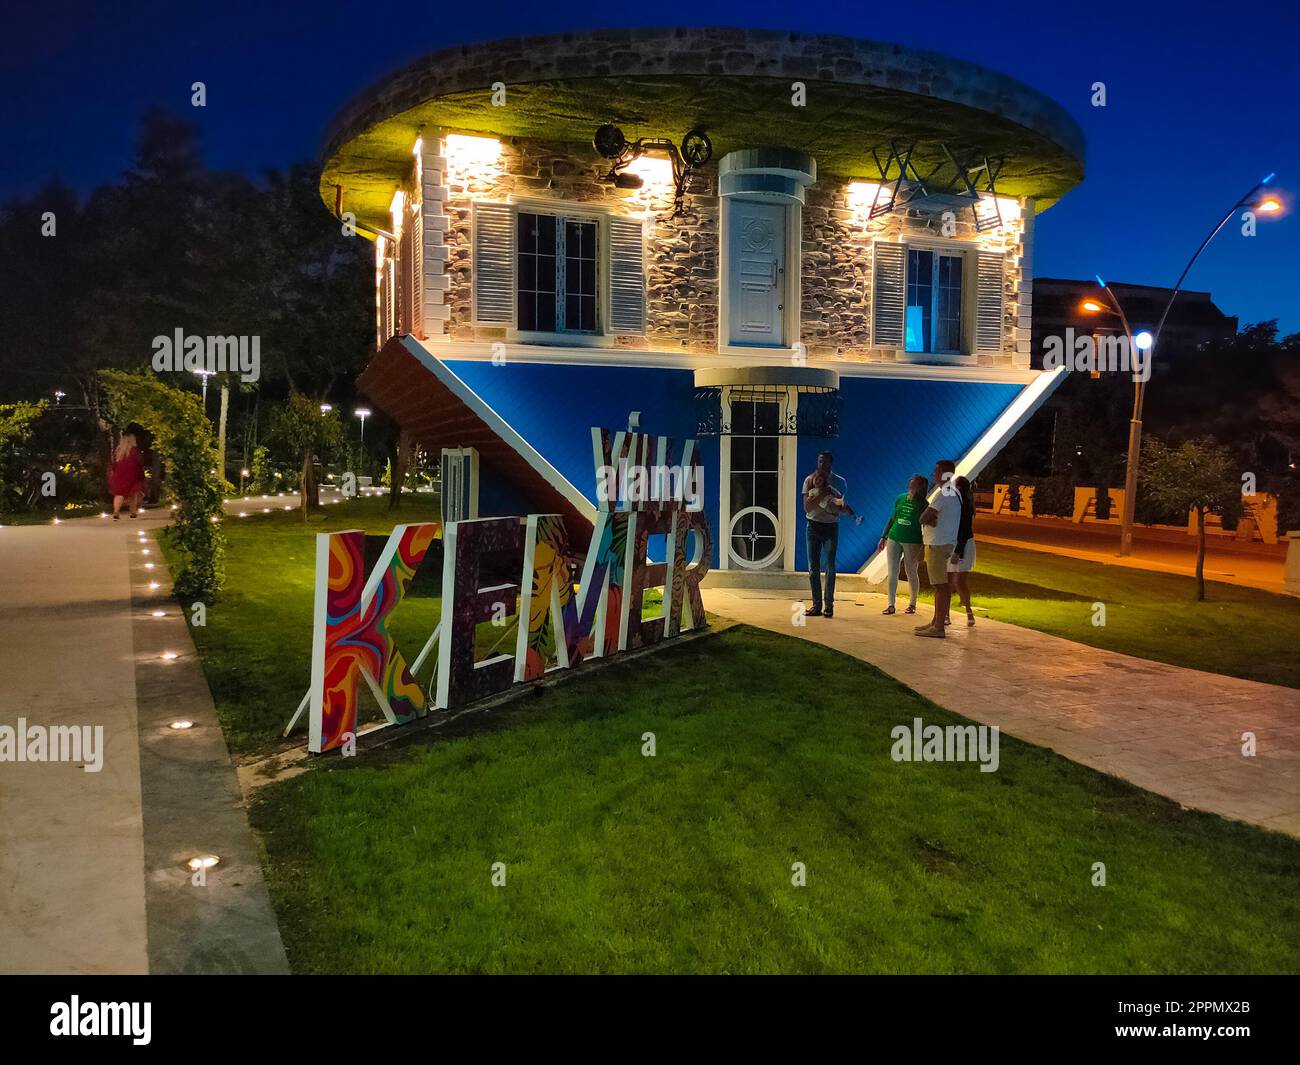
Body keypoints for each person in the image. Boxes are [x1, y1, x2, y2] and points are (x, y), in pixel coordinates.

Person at [802, 451, 855, 618]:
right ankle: (816, 605)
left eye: (825, 463)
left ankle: (829, 606)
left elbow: (842, 505)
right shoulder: (810, 480)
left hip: (831, 527)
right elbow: (807, 507)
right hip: (813, 526)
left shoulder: (839, 482)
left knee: (830, 567)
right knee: (813, 568)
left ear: (831, 464)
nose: (821, 466)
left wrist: (842, 507)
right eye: (819, 462)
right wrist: (822, 492)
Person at [915, 459, 959, 639]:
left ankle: (939, 626)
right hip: (946, 542)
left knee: (940, 586)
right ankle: (936, 621)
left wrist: (928, 518)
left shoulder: (943, 494)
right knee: (940, 585)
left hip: (938, 544)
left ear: (943, 473)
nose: (933, 474)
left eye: (936, 471)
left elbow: (923, 517)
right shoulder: (954, 493)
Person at [878, 474, 927, 615]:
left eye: (914, 485)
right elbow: (893, 518)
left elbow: (926, 527)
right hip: (894, 537)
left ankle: (912, 603)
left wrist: (923, 547)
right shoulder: (900, 498)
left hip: (913, 541)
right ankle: (891, 604)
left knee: (911, 571)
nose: (911, 487)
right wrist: (884, 536)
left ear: (920, 487)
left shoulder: (923, 504)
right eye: (910, 484)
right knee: (892, 571)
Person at [945, 475, 977, 627]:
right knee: (948, 581)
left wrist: (958, 551)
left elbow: (964, 531)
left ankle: (969, 612)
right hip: (952, 543)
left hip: (962, 545)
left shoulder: (965, 507)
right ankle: (945, 614)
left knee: (959, 582)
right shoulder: (954, 505)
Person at [108, 432, 147, 520]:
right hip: (133, 475)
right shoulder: (135, 451)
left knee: (119, 494)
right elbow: (140, 462)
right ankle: (133, 512)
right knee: (133, 494)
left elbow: (113, 464)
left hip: (119, 475)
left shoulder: (118, 452)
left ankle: (116, 512)